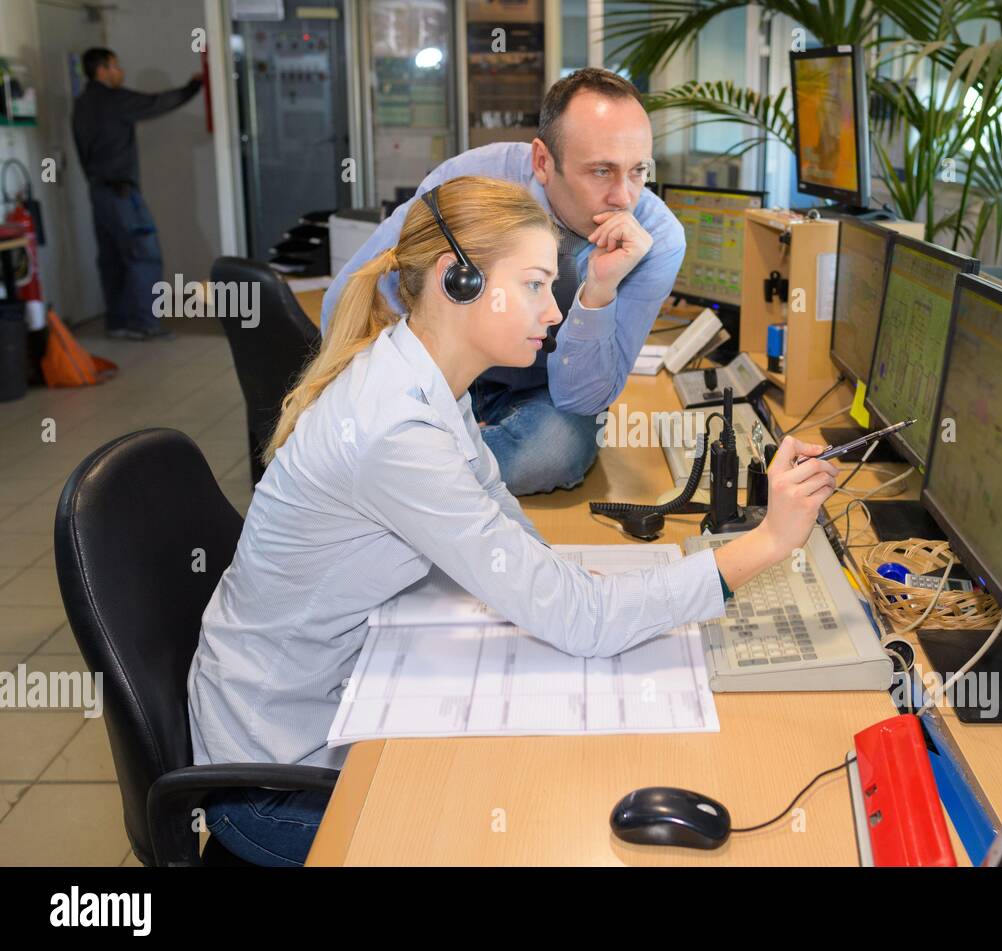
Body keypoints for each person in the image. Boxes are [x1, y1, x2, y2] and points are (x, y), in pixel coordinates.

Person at [188, 177, 838, 866]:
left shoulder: (430, 379)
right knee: (519, 822)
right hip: (277, 779)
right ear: (457, 281)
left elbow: (507, 525)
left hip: (316, 708)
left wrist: (572, 589)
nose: (553, 313)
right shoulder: (396, 430)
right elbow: (579, 620)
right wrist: (766, 544)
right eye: (532, 285)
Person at [323, 68, 680, 496]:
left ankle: (408, 476)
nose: (624, 197)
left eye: (638, 171)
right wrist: (433, 400)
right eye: (601, 172)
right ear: (544, 162)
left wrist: (598, 293)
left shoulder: (655, 239)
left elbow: (583, 400)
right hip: (448, 373)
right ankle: (414, 471)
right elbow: (355, 296)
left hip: (546, 390)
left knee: (553, 451)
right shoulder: (472, 180)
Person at [72, 48, 202, 341]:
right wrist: (194, 86)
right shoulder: (114, 101)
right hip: (121, 193)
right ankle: (145, 323)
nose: (121, 72)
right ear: (102, 70)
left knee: (112, 259)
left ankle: (118, 323)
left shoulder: (81, 104)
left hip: (98, 192)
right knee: (145, 255)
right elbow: (156, 103)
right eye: (116, 66)